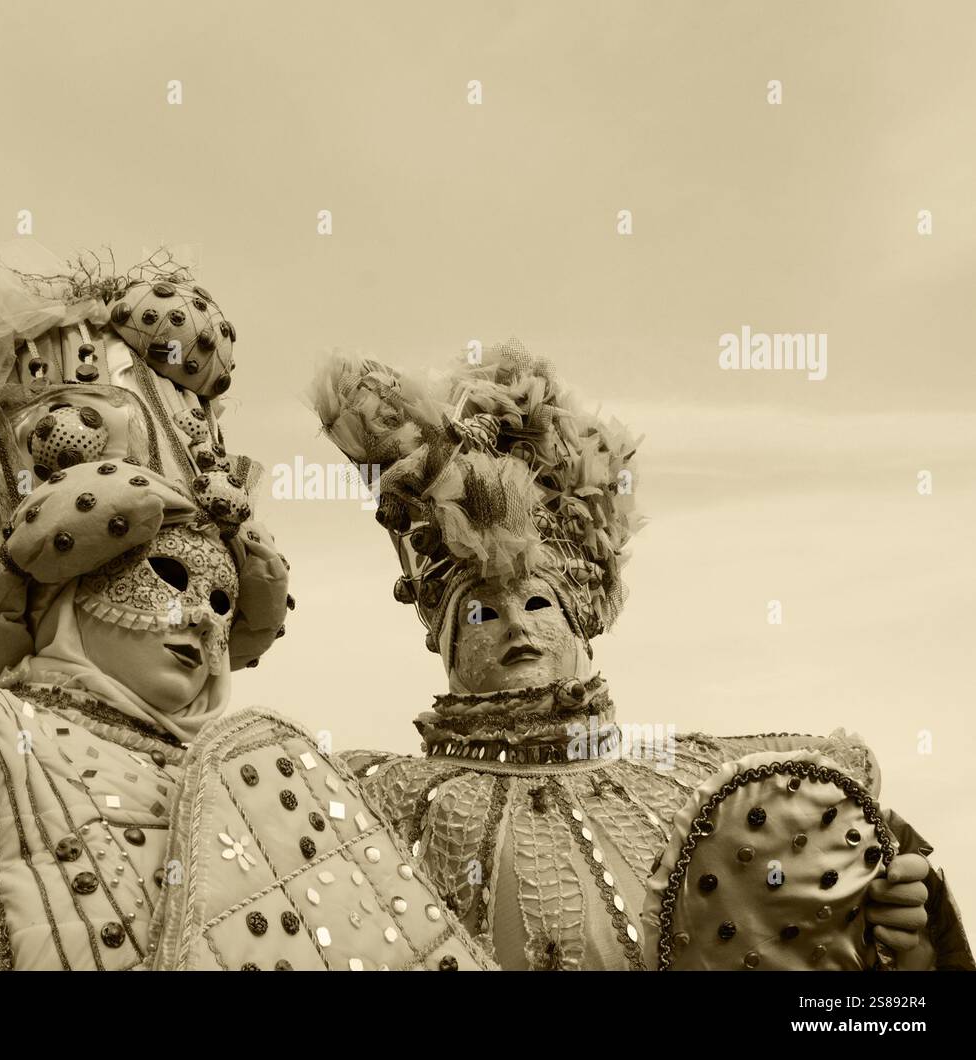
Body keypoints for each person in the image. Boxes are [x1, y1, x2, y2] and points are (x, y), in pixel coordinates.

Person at [0, 251, 488, 972]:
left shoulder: (273, 787)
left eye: (222, 599)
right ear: (67, 583)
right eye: (169, 574)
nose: (205, 619)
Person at [311, 340, 972, 971]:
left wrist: (898, 945)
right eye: (481, 613)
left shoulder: (698, 788)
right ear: (446, 641)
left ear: (582, 627)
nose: (516, 624)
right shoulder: (382, 807)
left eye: (539, 605)